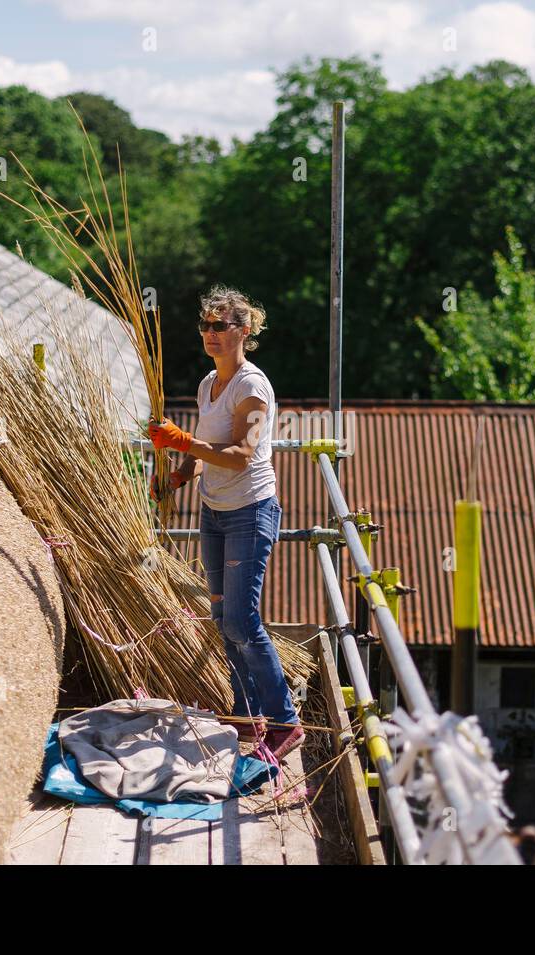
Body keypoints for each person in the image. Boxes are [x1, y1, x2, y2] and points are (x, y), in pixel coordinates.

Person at [147, 286, 304, 759]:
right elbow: (209, 452)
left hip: (250, 511)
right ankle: (245, 714)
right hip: (213, 511)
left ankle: (285, 721)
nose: (211, 334)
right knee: (221, 617)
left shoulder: (251, 388)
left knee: (241, 617)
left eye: (221, 326)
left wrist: (181, 440)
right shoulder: (206, 384)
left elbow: (239, 456)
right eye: (206, 326)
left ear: (245, 331)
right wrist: (179, 475)